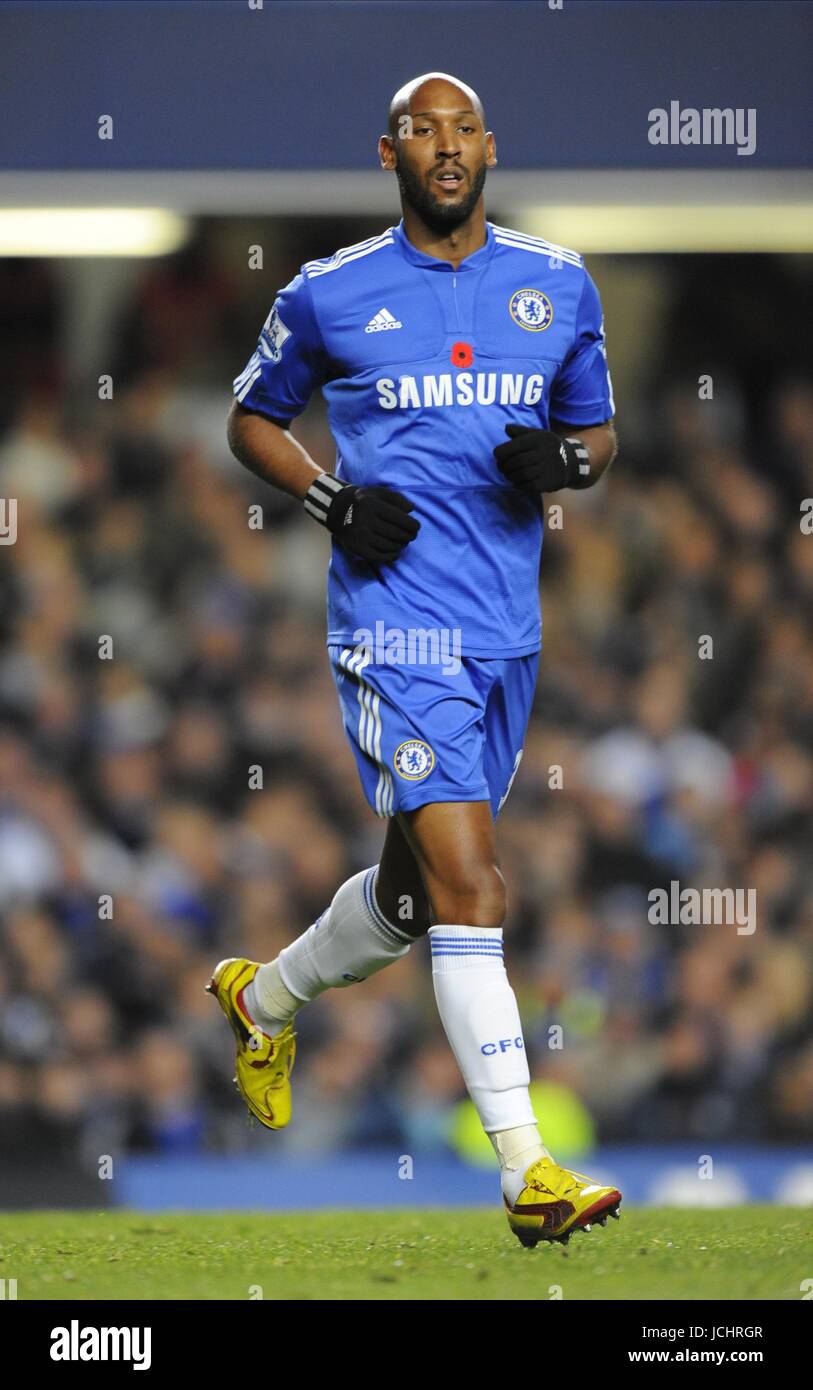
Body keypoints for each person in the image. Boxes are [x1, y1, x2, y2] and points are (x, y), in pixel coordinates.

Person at [208, 72, 621, 1246]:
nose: (444, 148)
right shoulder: (331, 294)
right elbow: (250, 417)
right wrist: (331, 499)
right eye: (421, 132)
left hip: (507, 635)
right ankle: (528, 1169)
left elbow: (594, 429)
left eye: (461, 131)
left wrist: (571, 468)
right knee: (478, 888)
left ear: (490, 147)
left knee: (409, 902)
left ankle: (263, 994)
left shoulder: (557, 282)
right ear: (388, 151)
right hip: (393, 628)